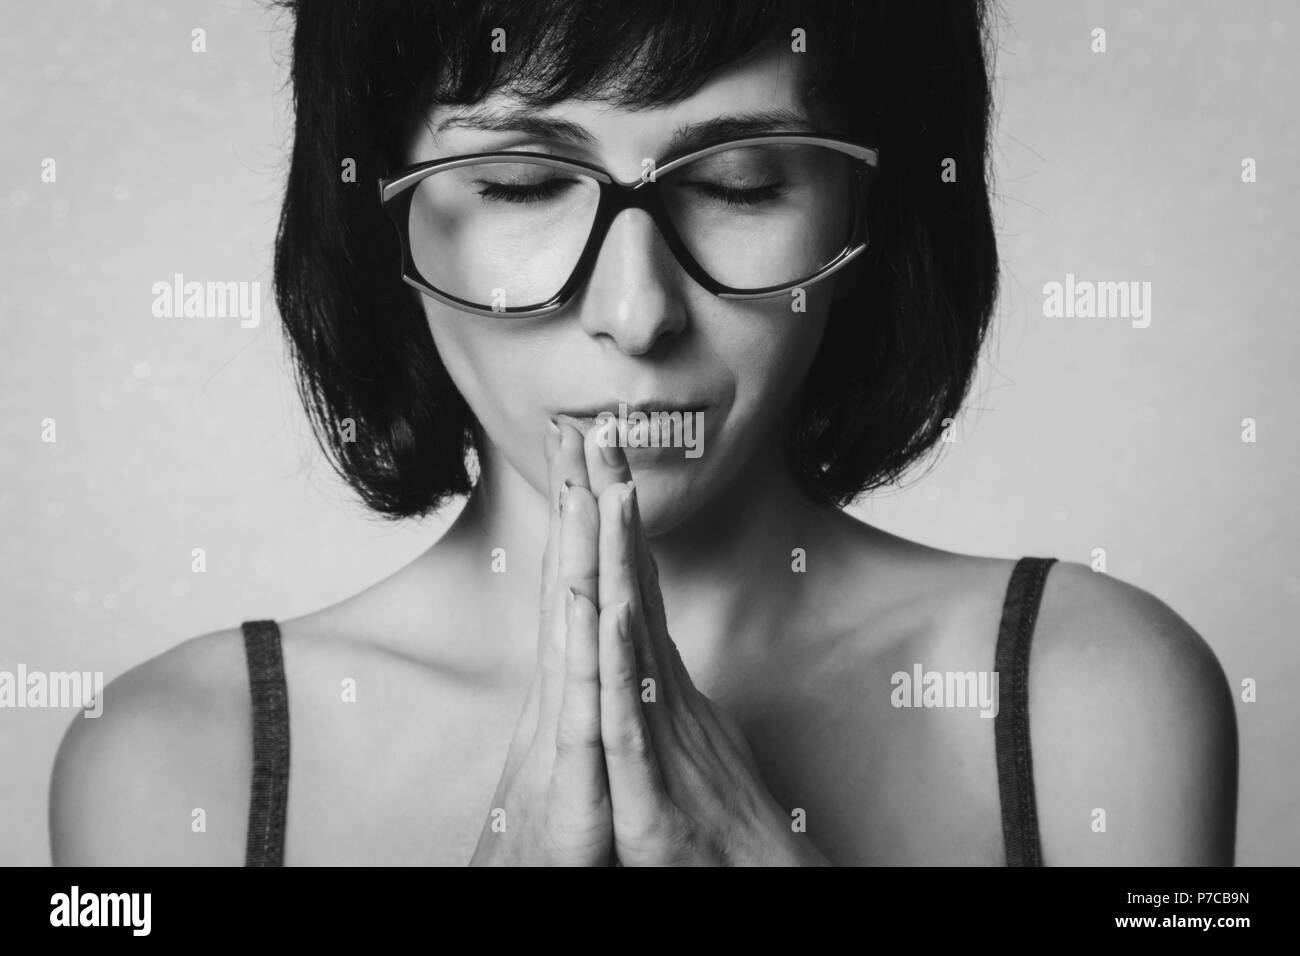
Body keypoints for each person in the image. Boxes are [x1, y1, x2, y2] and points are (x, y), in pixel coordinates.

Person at [50, 0, 1237, 866]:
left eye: (739, 183)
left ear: (869, 212)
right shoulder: (174, 764)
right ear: (379, 220)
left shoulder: (1091, 699)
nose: (635, 311)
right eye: (519, 183)